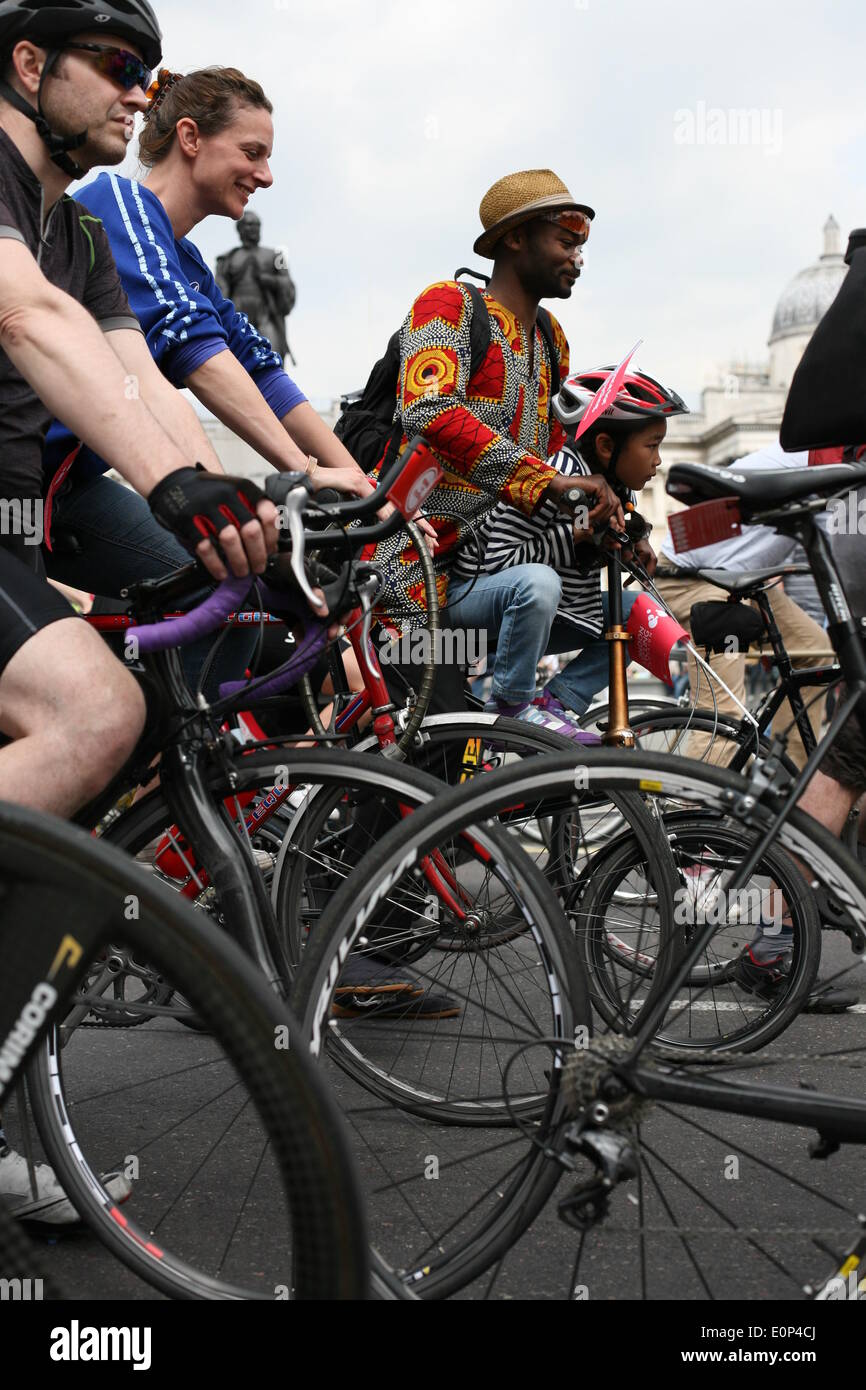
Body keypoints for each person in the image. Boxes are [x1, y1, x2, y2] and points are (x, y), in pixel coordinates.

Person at [0, 0, 278, 1223]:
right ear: (26, 64)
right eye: (116, 67)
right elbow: (30, 317)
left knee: (138, 720)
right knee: (91, 708)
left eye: (149, 72)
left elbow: (135, 373)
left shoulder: (80, 230)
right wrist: (172, 486)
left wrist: (238, 511)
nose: (138, 92)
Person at [42, 64, 377, 614]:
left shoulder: (189, 262)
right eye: (252, 152)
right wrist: (308, 471)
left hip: (66, 490)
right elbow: (198, 353)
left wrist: (359, 485)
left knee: (229, 595)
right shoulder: (118, 205)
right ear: (191, 138)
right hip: (23, 486)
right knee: (223, 594)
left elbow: (262, 370)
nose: (266, 176)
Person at [368, 168, 623, 713]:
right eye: (565, 241)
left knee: (629, 618)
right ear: (515, 237)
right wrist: (549, 480)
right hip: (409, 565)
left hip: (490, 569)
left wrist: (602, 521)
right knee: (425, 757)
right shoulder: (447, 304)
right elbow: (428, 409)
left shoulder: (552, 339)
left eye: (582, 246)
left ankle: (538, 722)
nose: (577, 258)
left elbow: (549, 455)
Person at [447, 366, 687, 740]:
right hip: (475, 600)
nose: (658, 460)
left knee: (641, 613)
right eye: (652, 445)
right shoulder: (557, 475)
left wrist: (625, 547)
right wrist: (574, 537)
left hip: (554, 614)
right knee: (538, 582)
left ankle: (557, 702)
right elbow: (495, 565)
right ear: (607, 447)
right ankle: (511, 705)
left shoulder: (619, 490)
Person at [654, 440, 834, 768]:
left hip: (744, 579)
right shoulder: (807, 462)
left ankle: (784, 775)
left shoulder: (822, 461)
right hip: (694, 577)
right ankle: (692, 812)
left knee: (815, 651)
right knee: (724, 714)